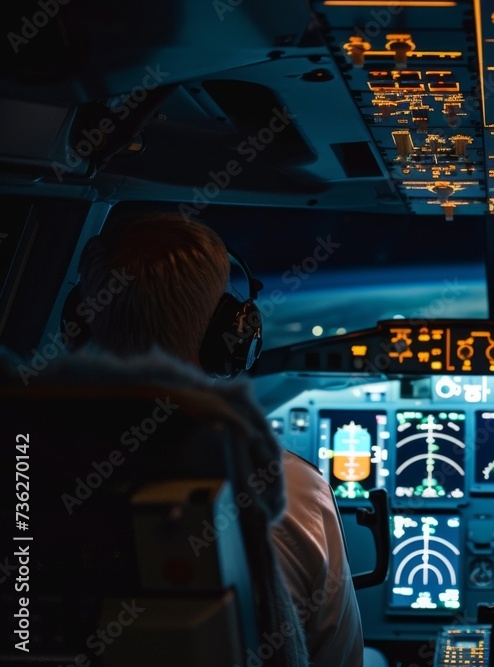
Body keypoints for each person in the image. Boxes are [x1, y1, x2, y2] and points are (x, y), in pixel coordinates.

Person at [74, 212, 364, 667]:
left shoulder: (28, 470)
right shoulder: (287, 488)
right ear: (234, 335)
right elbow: (339, 658)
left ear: (78, 323)